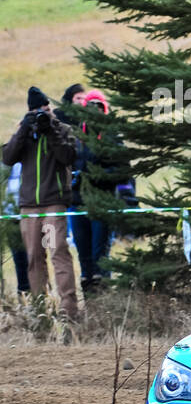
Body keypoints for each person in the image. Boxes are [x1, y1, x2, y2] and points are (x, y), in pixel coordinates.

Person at [2, 87, 80, 317]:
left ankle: (68, 310)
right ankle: (40, 311)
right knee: (34, 258)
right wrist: (24, 129)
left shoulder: (62, 129)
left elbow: (68, 156)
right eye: (37, 111)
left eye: (45, 110)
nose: (42, 114)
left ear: (49, 108)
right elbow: (8, 157)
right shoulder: (25, 133)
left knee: (58, 254)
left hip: (53, 203)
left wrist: (50, 130)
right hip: (29, 206)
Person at [67, 86, 119, 289]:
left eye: (98, 107)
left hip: (102, 203)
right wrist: (73, 178)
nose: (94, 111)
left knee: (100, 255)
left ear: (103, 109)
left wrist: (98, 176)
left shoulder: (111, 137)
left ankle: (104, 299)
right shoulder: (76, 137)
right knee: (84, 255)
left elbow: (122, 169)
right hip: (78, 203)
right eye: (90, 106)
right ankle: (89, 299)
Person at [1, 161, 29, 295]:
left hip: (30, 214)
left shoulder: (26, 161)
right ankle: (23, 293)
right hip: (9, 216)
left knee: (35, 257)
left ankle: (38, 293)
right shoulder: (4, 165)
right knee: (19, 259)